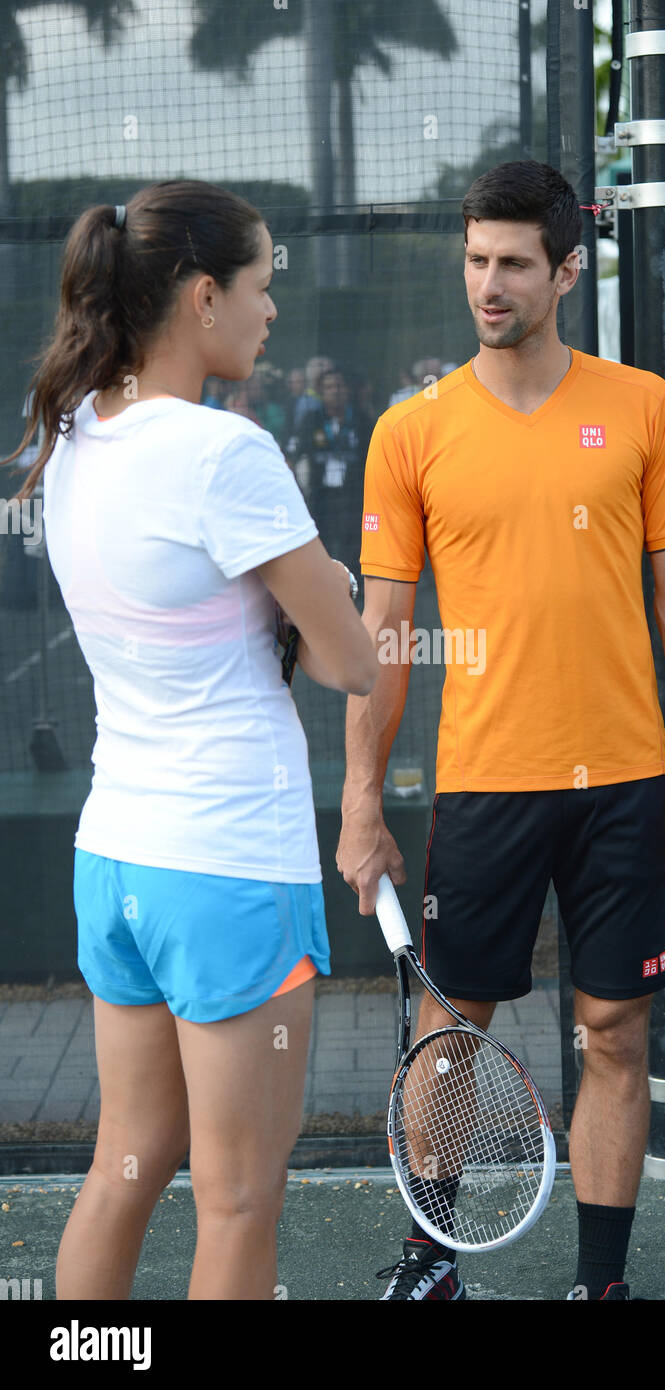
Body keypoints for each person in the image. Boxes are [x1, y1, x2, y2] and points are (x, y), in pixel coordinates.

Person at [337, 159, 665, 1301]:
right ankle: (430, 1263)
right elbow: (382, 634)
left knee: (612, 1031)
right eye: (475, 259)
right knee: (447, 1033)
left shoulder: (643, 407)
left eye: (515, 261)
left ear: (568, 269)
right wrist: (363, 799)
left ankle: (599, 1285)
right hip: (484, 781)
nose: (489, 283)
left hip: (627, 782)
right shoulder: (410, 431)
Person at [0, 179, 378, 1301]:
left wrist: (299, 609)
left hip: (116, 865)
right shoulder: (227, 454)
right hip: (225, 870)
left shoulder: (68, 435)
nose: (271, 312)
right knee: (239, 1197)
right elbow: (350, 659)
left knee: (124, 1165)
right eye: (261, 287)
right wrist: (334, 594)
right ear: (204, 294)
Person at [294, 367, 372, 576]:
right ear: (321, 391)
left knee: (353, 545)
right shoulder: (311, 419)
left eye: (339, 386)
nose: (335, 391)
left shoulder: (362, 419)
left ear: (347, 389)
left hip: (353, 497)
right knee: (324, 544)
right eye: (329, 387)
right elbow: (297, 453)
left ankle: (355, 589)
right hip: (321, 495)